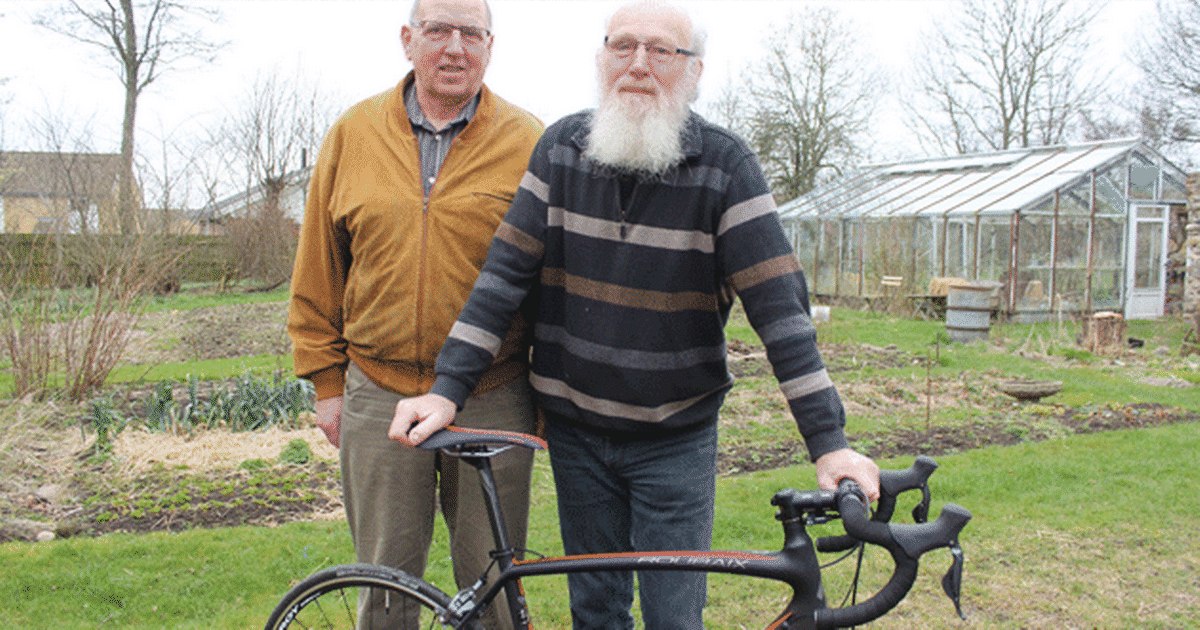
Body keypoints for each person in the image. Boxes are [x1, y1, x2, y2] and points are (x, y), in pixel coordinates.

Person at [389, 1, 880, 628]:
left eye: (661, 51)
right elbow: (504, 277)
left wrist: (829, 444)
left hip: (675, 439)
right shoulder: (562, 149)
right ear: (602, 58)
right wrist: (448, 389)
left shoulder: (726, 168)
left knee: (674, 616)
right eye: (622, 47)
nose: (638, 65)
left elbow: (781, 311)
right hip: (577, 435)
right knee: (595, 609)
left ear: (695, 70)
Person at [286, 0, 543, 627]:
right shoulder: (354, 133)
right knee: (385, 579)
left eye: (471, 34)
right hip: (379, 390)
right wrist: (326, 384)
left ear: (490, 46)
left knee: (493, 581)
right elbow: (320, 266)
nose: (455, 48)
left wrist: (553, 388)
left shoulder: (529, 141)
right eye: (438, 31)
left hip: (493, 392)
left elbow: (552, 281)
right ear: (408, 40)